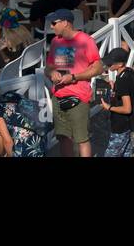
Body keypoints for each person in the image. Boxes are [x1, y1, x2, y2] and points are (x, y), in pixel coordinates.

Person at [44, 9, 102, 157]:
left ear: (65, 23)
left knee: (81, 139)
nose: (51, 26)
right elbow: (49, 67)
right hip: (58, 96)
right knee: (63, 138)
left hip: (78, 97)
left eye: (54, 23)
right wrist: (52, 73)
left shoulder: (85, 40)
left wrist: (74, 77)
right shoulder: (56, 41)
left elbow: (98, 68)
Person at [97, 47, 134, 157]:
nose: (108, 65)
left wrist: (109, 107)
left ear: (120, 64)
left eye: (111, 63)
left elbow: (127, 108)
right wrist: (114, 88)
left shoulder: (122, 80)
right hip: (127, 123)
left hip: (120, 125)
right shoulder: (129, 72)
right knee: (126, 153)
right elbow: (127, 92)